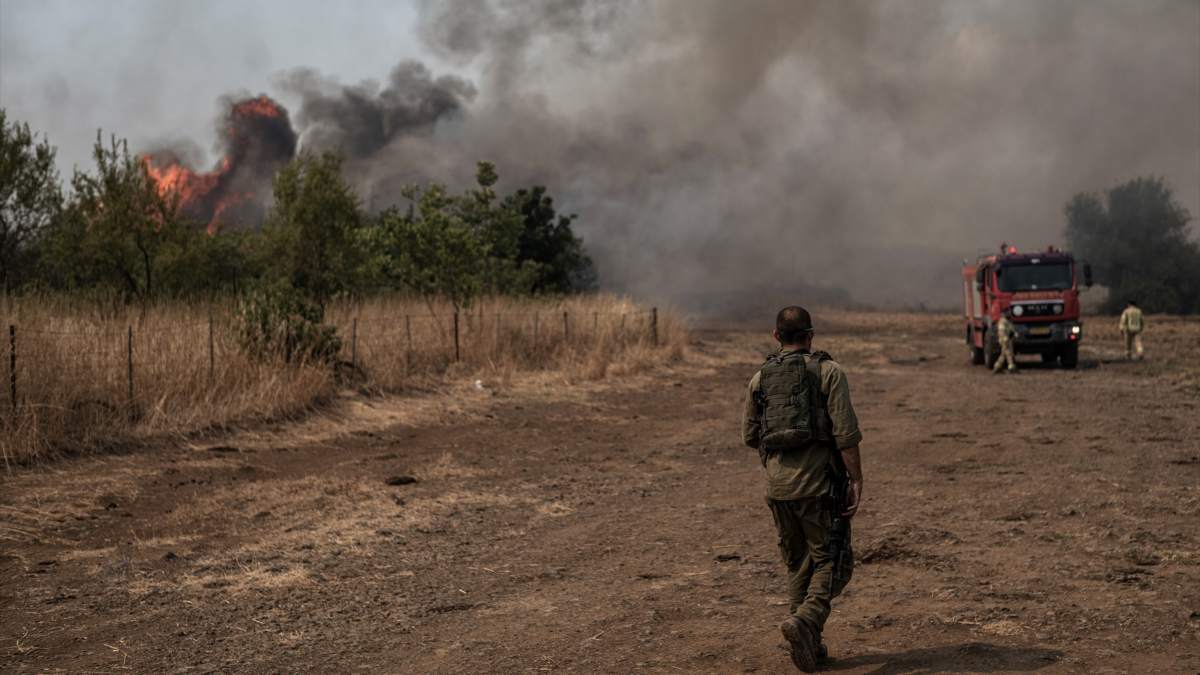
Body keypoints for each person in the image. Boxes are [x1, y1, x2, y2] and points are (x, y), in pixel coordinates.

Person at [742, 306, 864, 672]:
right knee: (833, 562)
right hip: (819, 485)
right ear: (810, 336)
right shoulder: (830, 372)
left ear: (776, 336)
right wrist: (856, 479)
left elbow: (750, 435)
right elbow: (845, 434)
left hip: (778, 487)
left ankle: (810, 644)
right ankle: (806, 621)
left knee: (797, 564)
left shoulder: (760, 377)